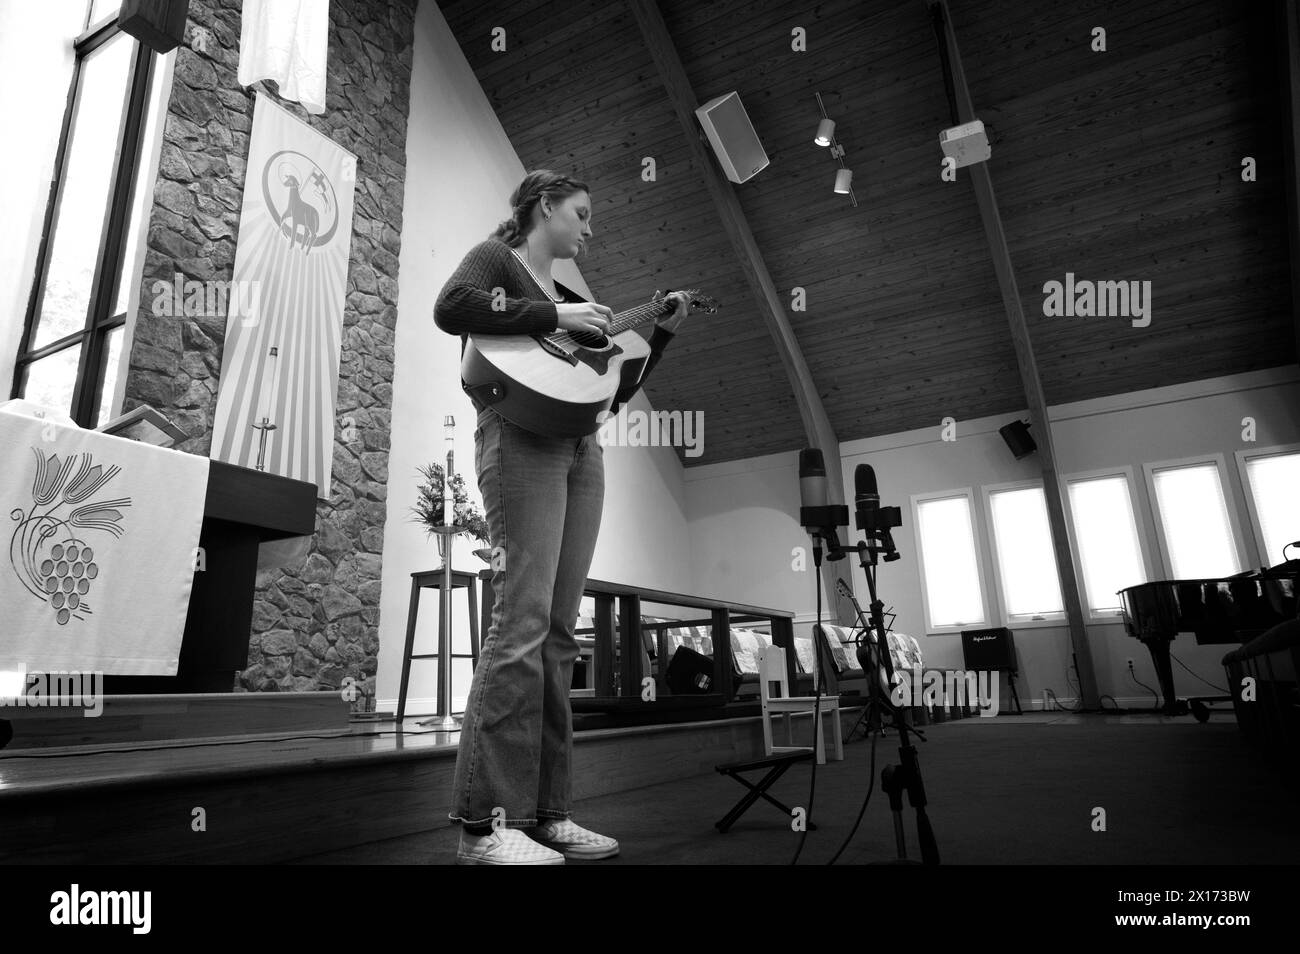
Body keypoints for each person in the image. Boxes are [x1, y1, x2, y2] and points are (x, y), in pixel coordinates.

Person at [433, 170, 689, 864]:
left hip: (583, 449)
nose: (588, 227)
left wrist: (657, 338)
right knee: (519, 623)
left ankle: (548, 814)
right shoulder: (499, 261)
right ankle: (484, 826)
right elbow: (451, 307)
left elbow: (607, 395)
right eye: (580, 212)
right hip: (517, 442)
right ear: (544, 207)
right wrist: (552, 317)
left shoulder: (575, 299)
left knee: (556, 638)